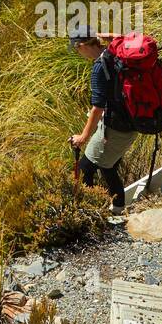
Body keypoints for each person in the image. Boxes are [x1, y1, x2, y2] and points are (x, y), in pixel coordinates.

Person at [69, 28, 136, 212]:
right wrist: (107, 35)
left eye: (76, 49)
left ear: (81, 46)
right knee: (108, 165)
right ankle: (119, 208)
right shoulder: (115, 51)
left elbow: (97, 108)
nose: (78, 54)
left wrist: (82, 137)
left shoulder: (100, 67)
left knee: (85, 168)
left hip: (116, 127)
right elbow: (126, 37)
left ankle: (90, 211)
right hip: (130, 122)